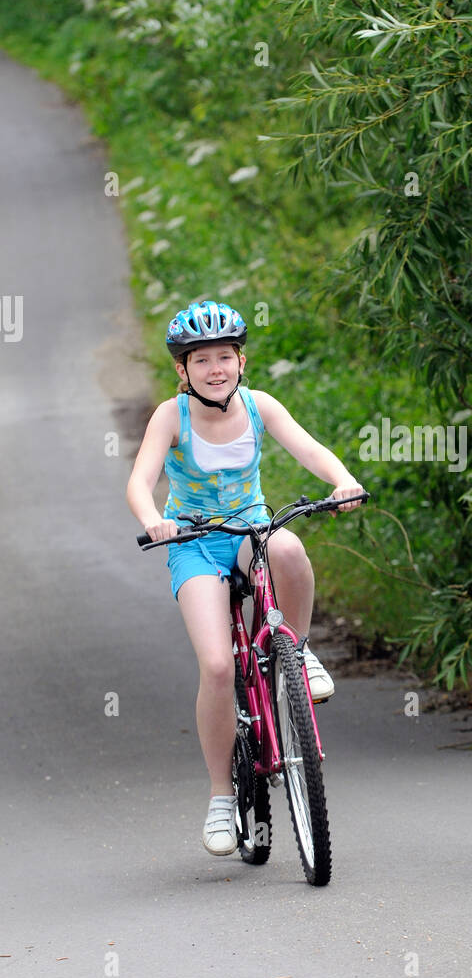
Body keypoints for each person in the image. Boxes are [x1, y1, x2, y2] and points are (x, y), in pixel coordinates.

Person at [126, 300, 365, 855]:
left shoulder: (259, 406)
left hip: (249, 531)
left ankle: (298, 649)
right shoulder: (172, 415)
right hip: (191, 543)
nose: (216, 368)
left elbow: (308, 449)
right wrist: (153, 521)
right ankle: (218, 796)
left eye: (225, 356)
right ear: (181, 370)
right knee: (215, 665)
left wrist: (343, 479)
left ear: (240, 360)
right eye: (201, 359)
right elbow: (140, 481)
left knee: (289, 548)